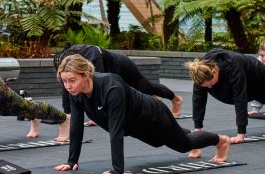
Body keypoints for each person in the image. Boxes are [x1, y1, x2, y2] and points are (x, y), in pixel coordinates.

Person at [53, 55, 229, 174]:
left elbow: (116, 130)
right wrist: (71, 161)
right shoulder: (74, 92)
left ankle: (220, 141)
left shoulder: (111, 88)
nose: (67, 86)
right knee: (158, 142)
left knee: (183, 145)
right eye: (64, 81)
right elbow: (76, 124)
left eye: (72, 80)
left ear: (86, 75)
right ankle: (186, 135)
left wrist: (116, 170)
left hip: (152, 115)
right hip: (135, 126)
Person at [186, 47, 265, 142]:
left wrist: (240, 134)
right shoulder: (200, 72)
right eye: (206, 86)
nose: (210, 88)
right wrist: (197, 129)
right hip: (247, 82)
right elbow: (198, 101)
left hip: (261, 77)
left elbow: (240, 98)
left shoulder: (232, 65)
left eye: (210, 83)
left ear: (214, 71)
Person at [54, 43, 183, 119]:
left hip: (121, 65)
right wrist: (67, 114)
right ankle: (155, 98)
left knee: (145, 87)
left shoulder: (91, 53)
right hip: (108, 71)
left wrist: (98, 112)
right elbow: (65, 87)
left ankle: (175, 99)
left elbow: (100, 83)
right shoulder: (63, 62)